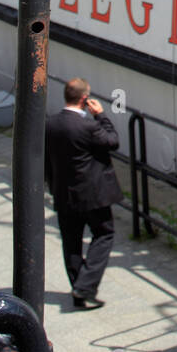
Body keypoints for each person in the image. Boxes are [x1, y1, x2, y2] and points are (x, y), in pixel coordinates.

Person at [45, 78, 123, 310]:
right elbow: (112, 142)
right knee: (104, 234)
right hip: (93, 194)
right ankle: (85, 286)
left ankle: (80, 287)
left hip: (64, 193)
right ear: (84, 99)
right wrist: (101, 116)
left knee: (71, 242)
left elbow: (47, 159)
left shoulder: (50, 124)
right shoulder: (88, 126)